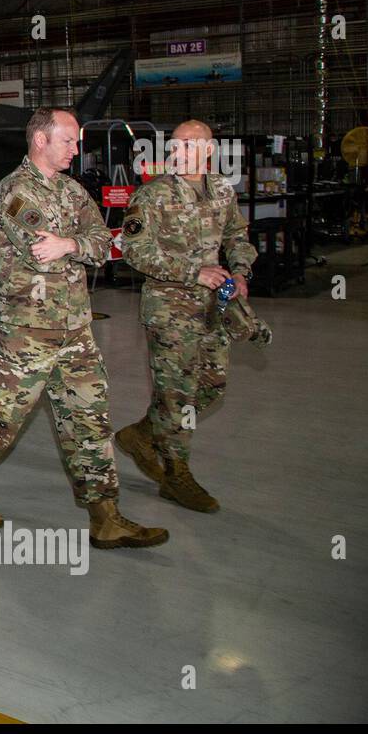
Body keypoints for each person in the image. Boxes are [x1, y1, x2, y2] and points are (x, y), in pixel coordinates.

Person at [0, 106, 168, 550]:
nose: (75, 149)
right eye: (67, 140)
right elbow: (38, 251)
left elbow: (106, 243)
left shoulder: (72, 191)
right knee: (0, 422)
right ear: (40, 140)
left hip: (75, 332)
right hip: (22, 335)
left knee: (89, 421)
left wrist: (72, 242)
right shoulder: (11, 194)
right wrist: (77, 244)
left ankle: (106, 517)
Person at [116, 119, 257, 512]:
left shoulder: (222, 191)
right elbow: (134, 251)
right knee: (177, 395)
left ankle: (142, 434)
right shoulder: (153, 195)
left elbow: (237, 237)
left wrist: (242, 272)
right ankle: (176, 474)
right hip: (168, 310)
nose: (177, 153)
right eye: (174, 145)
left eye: (188, 146)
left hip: (213, 308)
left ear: (209, 151)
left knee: (211, 385)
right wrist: (193, 271)